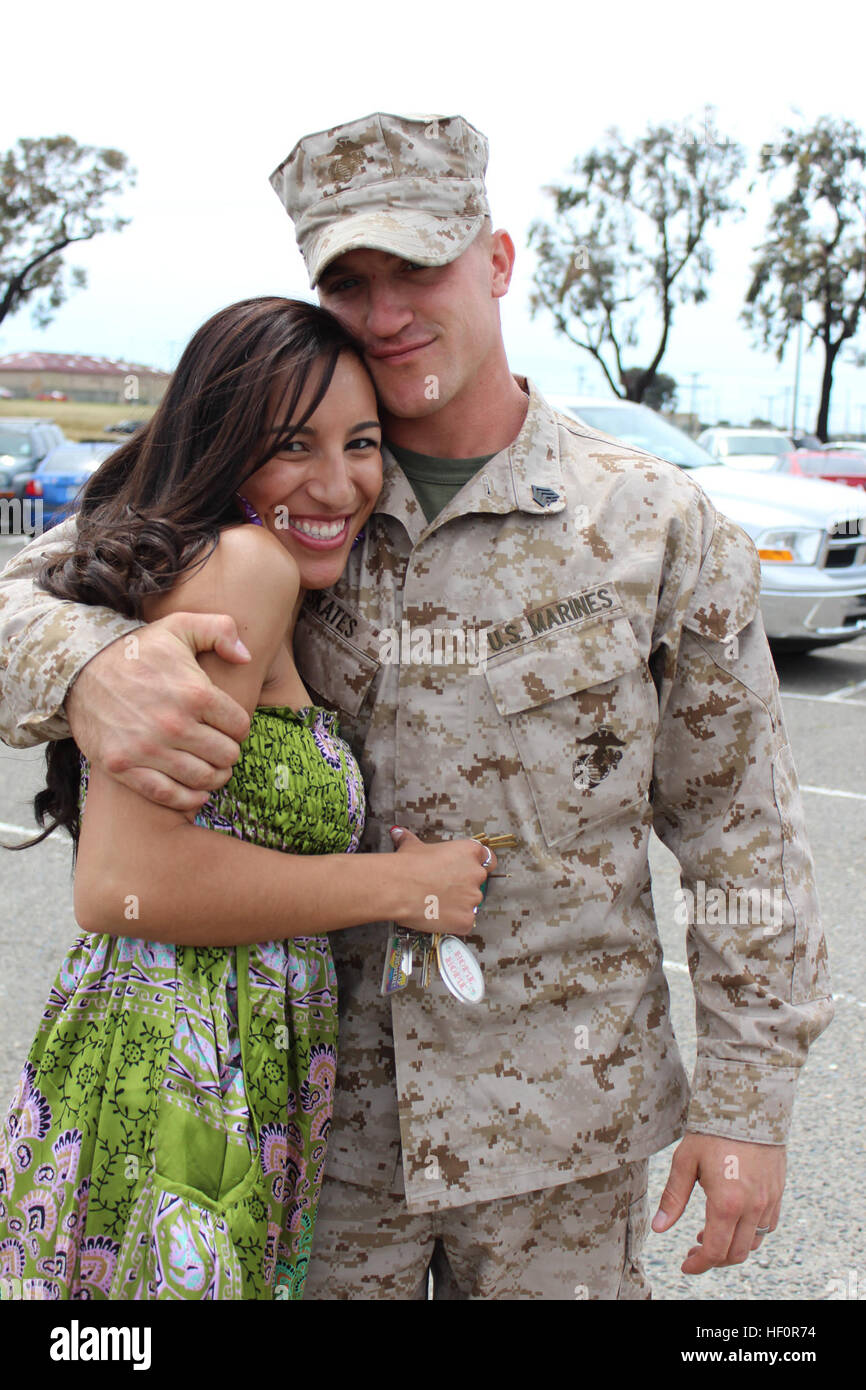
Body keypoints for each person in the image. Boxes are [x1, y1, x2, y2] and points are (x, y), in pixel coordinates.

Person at [0, 113, 833, 1301]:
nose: (385, 308)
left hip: (560, 1134)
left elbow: (740, 830)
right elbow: (22, 594)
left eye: (418, 266)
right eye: (349, 278)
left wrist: (748, 1105)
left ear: (494, 260)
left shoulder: (647, 521)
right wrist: (85, 669)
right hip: (319, 1119)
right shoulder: (281, 480)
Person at [0, 294, 491, 1301]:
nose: (336, 482)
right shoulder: (247, 565)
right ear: (224, 450)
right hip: (179, 1065)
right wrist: (397, 886)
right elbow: (125, 879)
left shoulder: (239, 563)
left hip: (222, 1057)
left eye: (360, 443)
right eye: (290, 446)